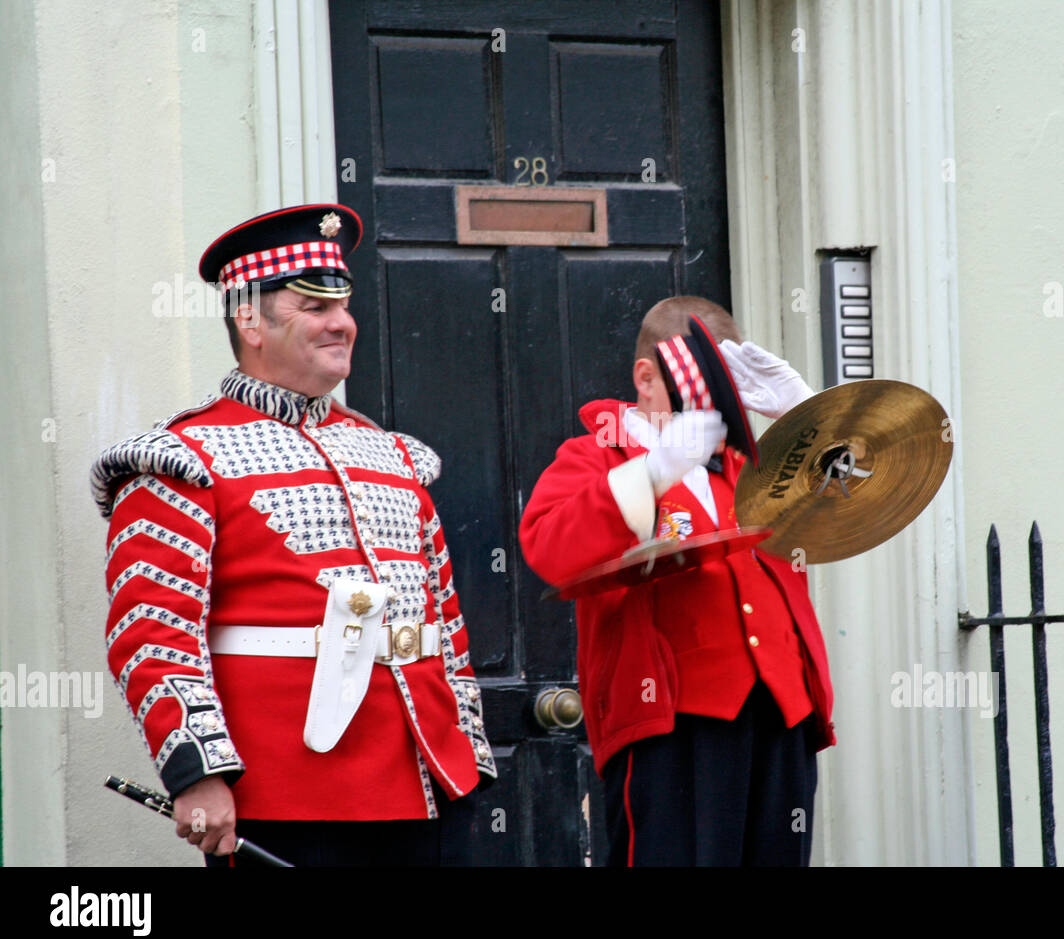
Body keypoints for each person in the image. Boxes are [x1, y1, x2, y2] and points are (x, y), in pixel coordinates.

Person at [92, 203, 495, 866]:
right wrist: (198, 772)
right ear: (249, 318)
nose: (342, 322)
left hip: (428, 784)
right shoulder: (184, 458)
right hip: (284, 796)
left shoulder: (393, 455)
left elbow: (445, 628)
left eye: (342, 303)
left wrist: (469, 759)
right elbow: (152, 631)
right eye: (313, 305)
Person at [518, 295, 835, 866]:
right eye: (700, 392)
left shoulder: (750, 466)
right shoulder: (599, 456)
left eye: (727, 395)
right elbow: (548, 548)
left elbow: (859, 506)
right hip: (673, 725)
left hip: (781, 715)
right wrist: (653, 470)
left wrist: (810, 422)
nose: (717, 414)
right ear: (647, 377)